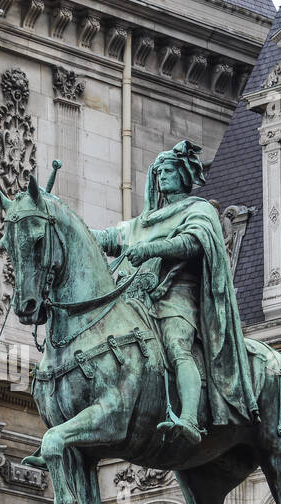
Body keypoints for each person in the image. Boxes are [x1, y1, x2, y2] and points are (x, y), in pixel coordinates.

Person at [91, 140, 257, 444]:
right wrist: (64, 221)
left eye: (169, 170)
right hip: (137, 301)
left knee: (177, 345)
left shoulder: (198, 209)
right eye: (159, 172)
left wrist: (150, 248)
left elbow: (192, 243)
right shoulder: (144, 221)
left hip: (177, 296)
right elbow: (108, 237)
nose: (162, 176)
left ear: (183, 175)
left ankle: (190, 419)